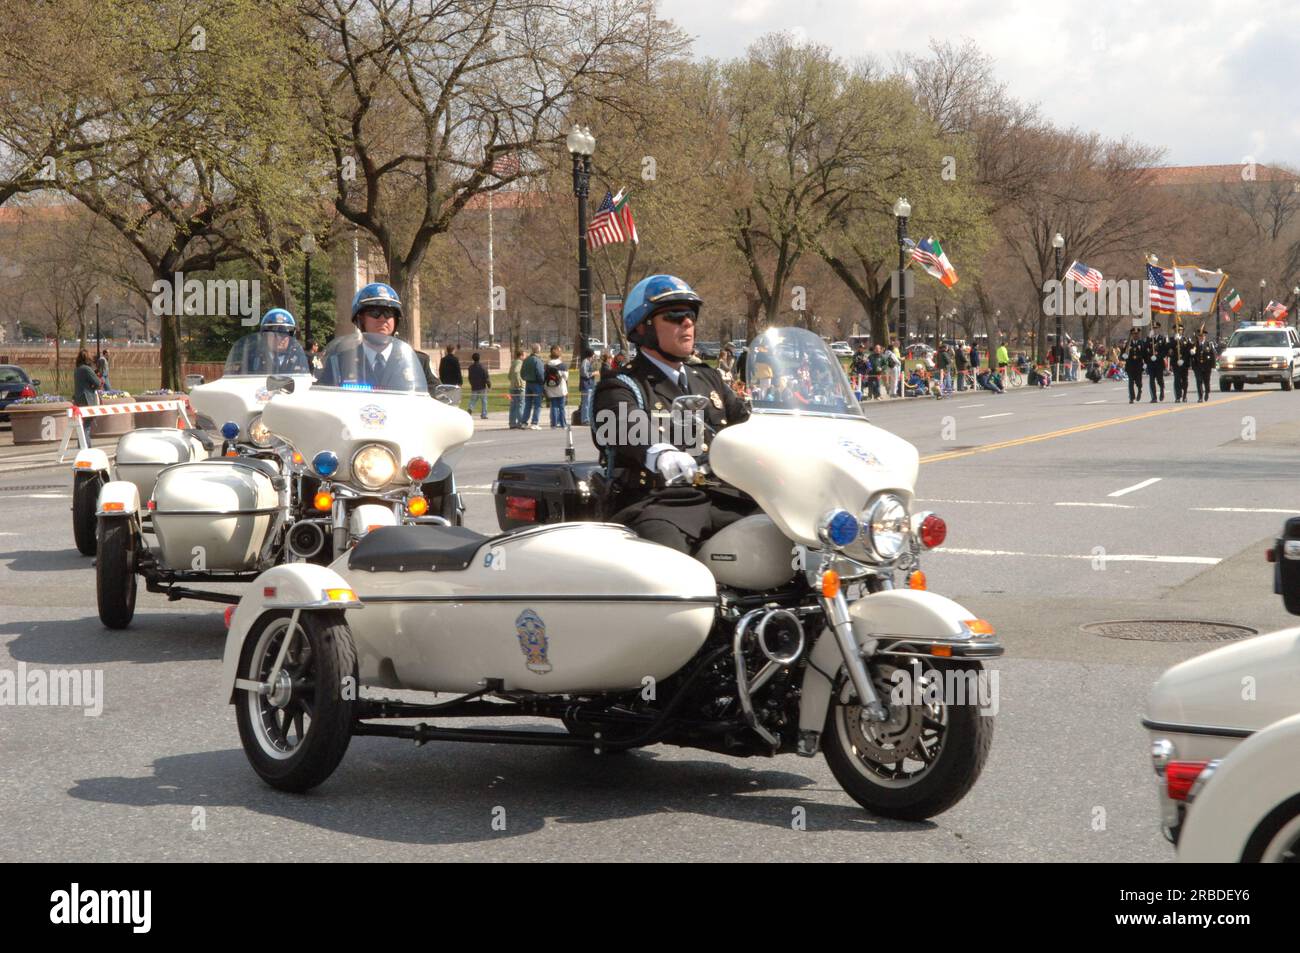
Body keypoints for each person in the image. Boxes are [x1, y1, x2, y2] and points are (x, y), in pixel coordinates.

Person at [591, 274, 749, 555]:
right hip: (659, 501)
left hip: (722, 496)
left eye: (690, 314)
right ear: (643, 327)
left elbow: (746, 422)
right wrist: (662, 452)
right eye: (674, 315)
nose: (687, 322)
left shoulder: (708, 378)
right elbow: (621, 423)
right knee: (670, 566)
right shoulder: (621, 384)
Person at [316, 282, 440, 391]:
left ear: (396, 320)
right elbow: (322, 399)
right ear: (360, 320)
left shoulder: (418, 361)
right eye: (374, 313)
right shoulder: (339, 362)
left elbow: (438, 398)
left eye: (388, 313)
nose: (382, 319)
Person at [73, 349, 101, 447]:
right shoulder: (87, 369)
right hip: (87, 399)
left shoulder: (77, 369)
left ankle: (81, 445)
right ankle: (86, 447)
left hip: (78, 399)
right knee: (87, 426)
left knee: (82, 424)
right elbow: (97, 383)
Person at [520, 343, 544, 429]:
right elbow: (540, 373)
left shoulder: (526, 360)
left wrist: (525, 378)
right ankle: (534, 422)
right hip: (537, 384)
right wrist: (542, 382)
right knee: (537, 404)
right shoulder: (538, 360)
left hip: (528, 383)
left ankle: (524, 422)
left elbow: (522, 373)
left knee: (528, 404)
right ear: (538, 350)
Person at [543, 344, 568, 428]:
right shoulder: (562, 365)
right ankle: (563, 424)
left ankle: (553, 424)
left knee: (553, 406)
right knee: (561, 407)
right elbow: (566, 377)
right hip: (560, 388)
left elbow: (544, 376)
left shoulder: (547, 365)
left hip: (550, 388)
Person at [1191, 326, 1217, 402]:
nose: (1201, 337)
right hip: (1198, 366)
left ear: (1205, 336)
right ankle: (1200, 397)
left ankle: (1207, 392)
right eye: (1200, 336)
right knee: (1199, 381)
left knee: (1206, 381)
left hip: (1207, 366)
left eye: (1202, 336)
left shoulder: (1209, 344)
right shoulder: (1195, 345)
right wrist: (1191, 353)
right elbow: (1191, 355)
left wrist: (1213, 366)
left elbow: (1213, 355)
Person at [1146, 321, 1168, 402]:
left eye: (1156, 328)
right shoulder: (1149, 338)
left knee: (1159, 380)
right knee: (1151, 380)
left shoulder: (1162, 339)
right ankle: (1154, 397)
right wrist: (1149, 338)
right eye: (1153, 328)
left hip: (1159, 363)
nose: (1155, 330)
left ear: (1159, 329)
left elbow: (1164, 351)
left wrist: (1158, 357)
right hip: (1151, 363)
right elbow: (1145, 348)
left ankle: (1162, 389)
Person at [1121, 327, 1145, 403]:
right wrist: (1123, 356)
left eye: (1136, 334)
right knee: (1131, 382)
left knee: (1138, 382)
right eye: (1134, 334)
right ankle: (1131, 397)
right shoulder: (1128, 343)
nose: (1135, 335)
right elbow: (1123, 353)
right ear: (1131, 335)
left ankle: (1139, 390)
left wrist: (1146, 363)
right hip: (1130, 365)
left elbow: (1144, 354)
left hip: (1138, 365)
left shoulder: (1141, 343)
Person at [1170, 326, 1193, 403]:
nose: (1179, 331)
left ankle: (1185, 395)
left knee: (1184, 380)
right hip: (1176, 363)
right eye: (1177, 330)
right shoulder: (1172, 340)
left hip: (1184, 363)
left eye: (1180, 330)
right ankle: (1178, 396)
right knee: (1177, 380)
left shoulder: (1186, 339)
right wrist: (1174, 341)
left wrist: (1183, 360)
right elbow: (1169, 350)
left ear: (1182, 331)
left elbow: (1188, 351)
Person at [467, 351, 491, 419]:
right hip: (482, 387)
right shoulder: (483, 367)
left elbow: (469, 377)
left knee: (473, 400)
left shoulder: (470, 367)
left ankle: (470, 409)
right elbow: (486, 377)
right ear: (479, 358)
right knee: (484, 401)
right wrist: (489, 385)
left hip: (474, 386)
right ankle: (484, 414)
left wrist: (472, 384)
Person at [507, 347, 525, 428]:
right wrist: (519, 382)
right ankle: (520, 422)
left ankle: (512, 423)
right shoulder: (519, 362)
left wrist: (513, 381)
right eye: (524, 355)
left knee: (513, 406)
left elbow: (509, 376)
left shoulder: (513, 363)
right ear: (521, 355)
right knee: (520, 405)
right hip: (519, 388)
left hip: (512, 387)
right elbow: (516, 372)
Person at [578, 347, 596, 425]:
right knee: (586, 403)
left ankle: (588, 418)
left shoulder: (590, 362)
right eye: (593, 355)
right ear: (591, 355)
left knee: (589, 403)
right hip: (586, 386)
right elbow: (584, 373)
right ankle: (585, 420)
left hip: (590, 385)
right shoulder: (585, 362)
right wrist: (593, 373)